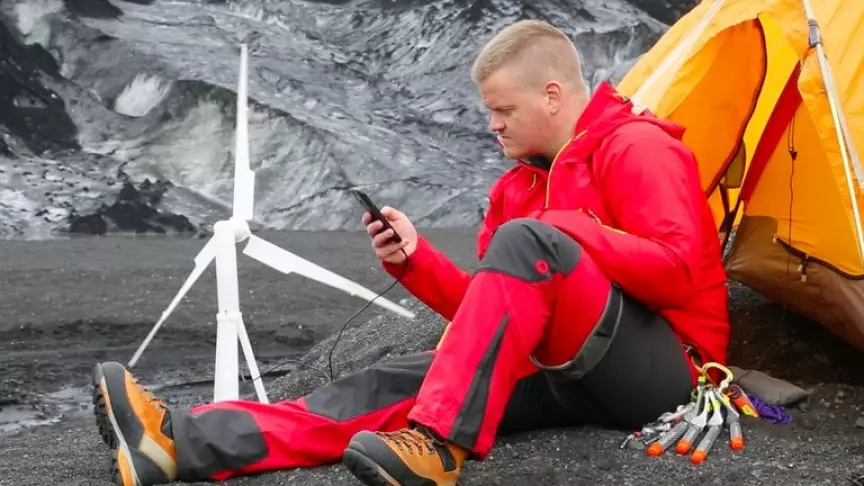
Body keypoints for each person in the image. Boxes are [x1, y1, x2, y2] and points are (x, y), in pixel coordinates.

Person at [90, 19, 730, 486]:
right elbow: (487, 315)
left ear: (553, 96)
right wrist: (415, 261)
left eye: (503, 109)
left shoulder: (638, 149)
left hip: (665, 373)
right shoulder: (518, 187)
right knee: (393, 382)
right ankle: (176, 443)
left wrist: (567, 225)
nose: (493, 125)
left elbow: (676, 275)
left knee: (525, 245)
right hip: (562, 369)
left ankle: (439, 447)